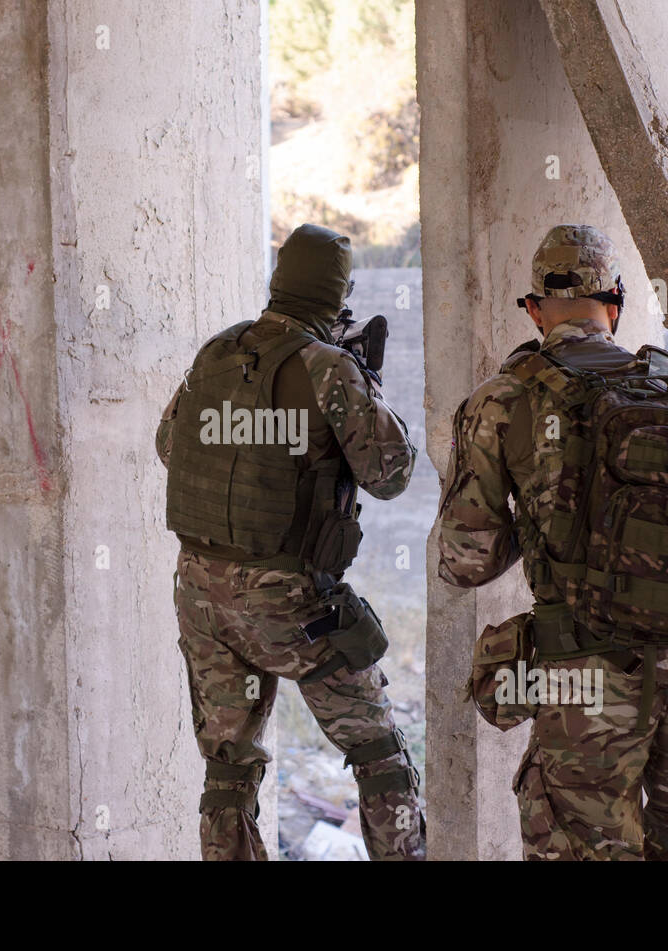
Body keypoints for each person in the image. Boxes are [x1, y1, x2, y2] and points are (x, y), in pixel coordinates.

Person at [438, 223, 668, 860]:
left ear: (535, 310)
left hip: (586, 678)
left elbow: (467, 561)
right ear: (614, 304)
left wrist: (543, 516)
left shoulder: (500, 403)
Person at [156, 223, 426, 861]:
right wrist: (366, 382)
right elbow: (391, 476)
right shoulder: (327, 366)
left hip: (200, 593)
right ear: (337, 297)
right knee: (378, 753)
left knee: (228, 766)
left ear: (279, 284)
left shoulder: (215, 352)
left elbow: (169, 445)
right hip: (292, 606)